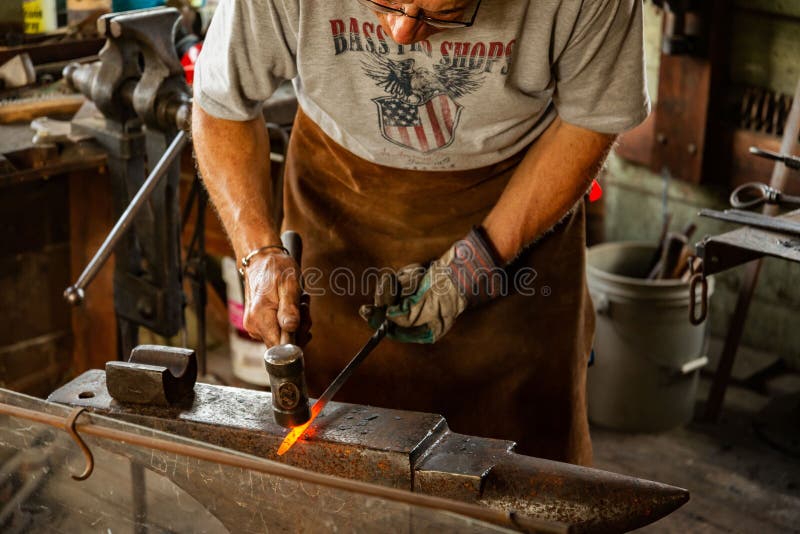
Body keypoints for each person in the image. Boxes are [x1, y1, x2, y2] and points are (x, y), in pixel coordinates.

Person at [192, 0, 649, 465]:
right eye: (383, 2)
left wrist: (480, 259)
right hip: (336, 220)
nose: (402, 32)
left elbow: (592, 117)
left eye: (445, 12)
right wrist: (259, 252)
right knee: (337, 463)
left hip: (518, 222)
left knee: (523, 473)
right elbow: (222, 103)